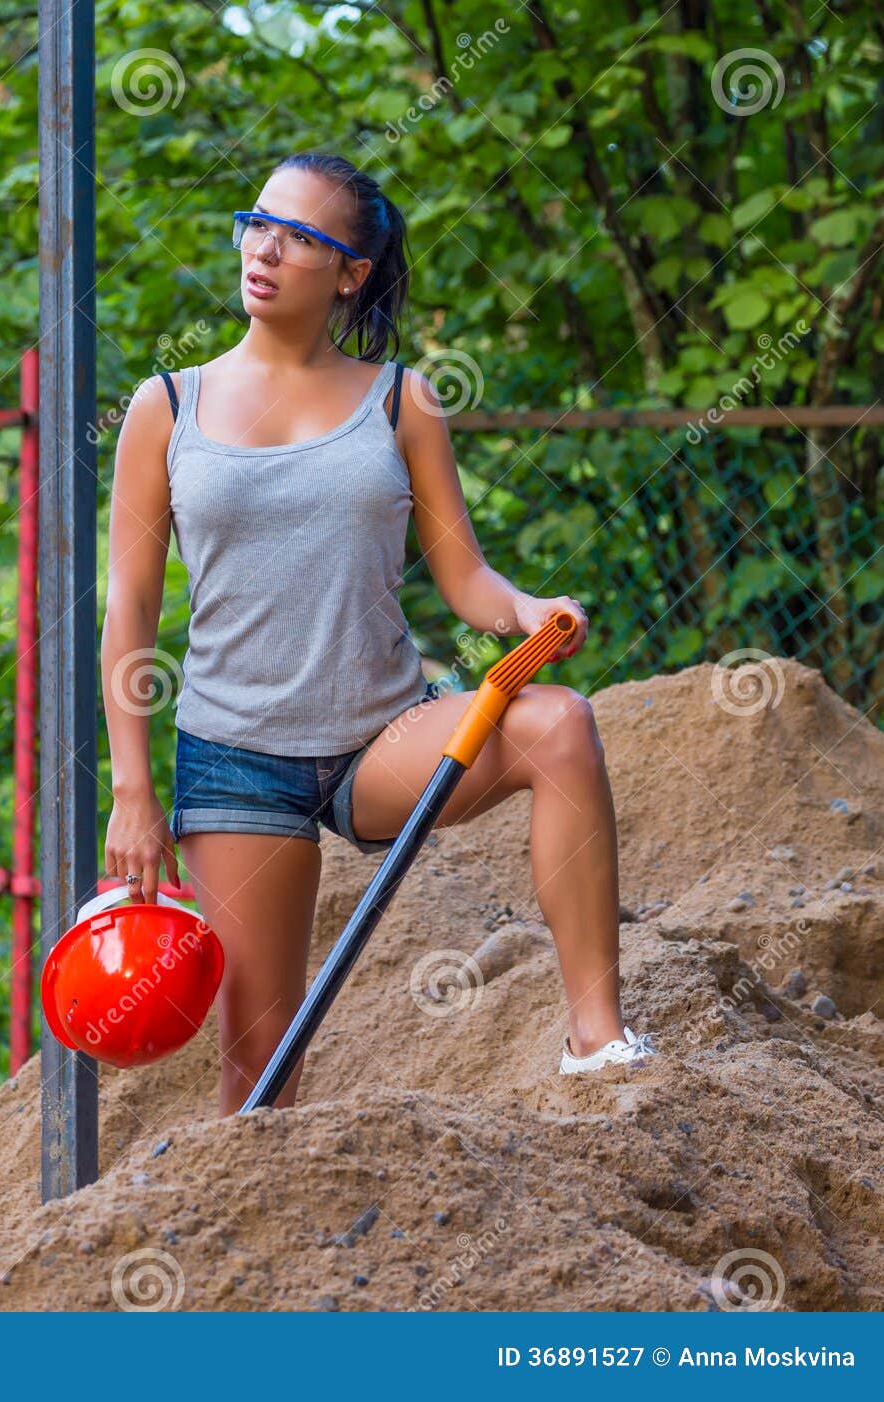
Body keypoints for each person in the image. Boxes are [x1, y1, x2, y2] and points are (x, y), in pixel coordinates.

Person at [101, 151, 657, 1116]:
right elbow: (131, 609)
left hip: (382, 739)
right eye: (256, 222)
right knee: (260, 1076)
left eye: (299, 236)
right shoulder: (167, 406)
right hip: (234, 762)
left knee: (560, 725)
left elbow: (466, 578)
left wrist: (527, 613)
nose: (263, 250)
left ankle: (594, 1038)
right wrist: (133, 789)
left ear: (350, 273)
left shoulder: (402, 400)